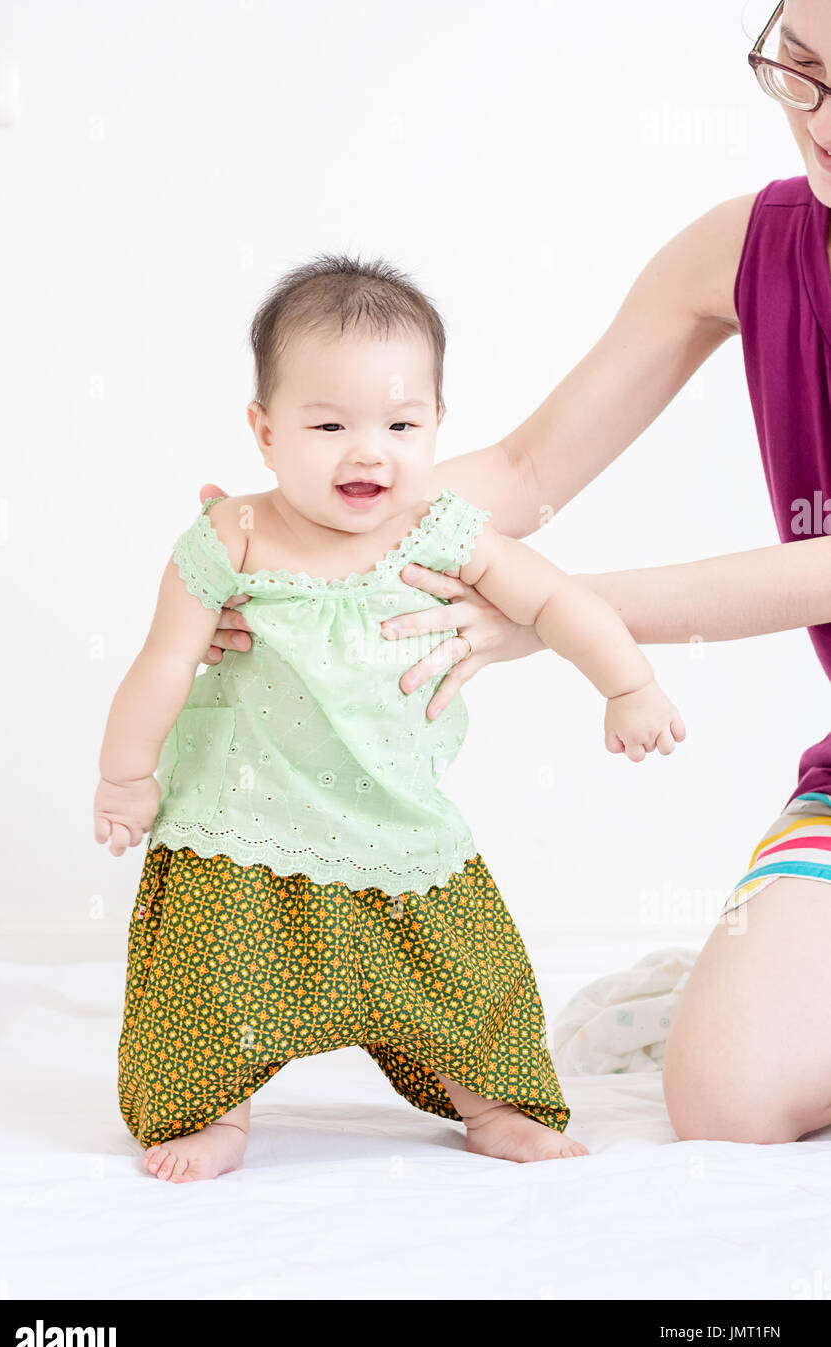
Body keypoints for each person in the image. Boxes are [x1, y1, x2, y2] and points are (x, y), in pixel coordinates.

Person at [204, 1, 831, 1147]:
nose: (818, 117)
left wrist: (554, 614)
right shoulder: (743, 246)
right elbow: (531, 467)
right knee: (727, 1099)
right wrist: (266, 553)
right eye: (796, 68)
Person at [94, 253, 686, 1182]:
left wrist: (628, 683)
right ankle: (215, 1115)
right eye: (329, 424)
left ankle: (493, 1107)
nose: (369, 450)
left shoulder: (441, 528)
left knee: (468, 977)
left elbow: (555, 601)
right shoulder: (232, 537)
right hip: (239, 824)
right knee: (209, 987)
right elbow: (164, 659)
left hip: (398, 824)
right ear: (265, 431)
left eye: (402, 424)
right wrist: (126, 777)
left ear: (439, 426)